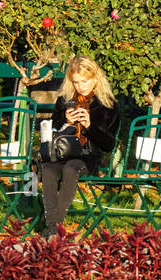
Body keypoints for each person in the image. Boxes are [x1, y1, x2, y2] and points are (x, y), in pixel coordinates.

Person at [40, 55, 121, 232]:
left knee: (71, 168)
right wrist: (66, 123)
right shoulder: (65, 101)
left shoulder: (107, 104)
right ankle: (52, 226)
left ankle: (54, 227)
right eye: (76, 82)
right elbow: (52, 132)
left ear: (95, 78)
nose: (81, 86)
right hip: (61, 153)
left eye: (85, 81)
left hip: (88, 156)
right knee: (48, 169)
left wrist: (89, 126)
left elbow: (108, 144)